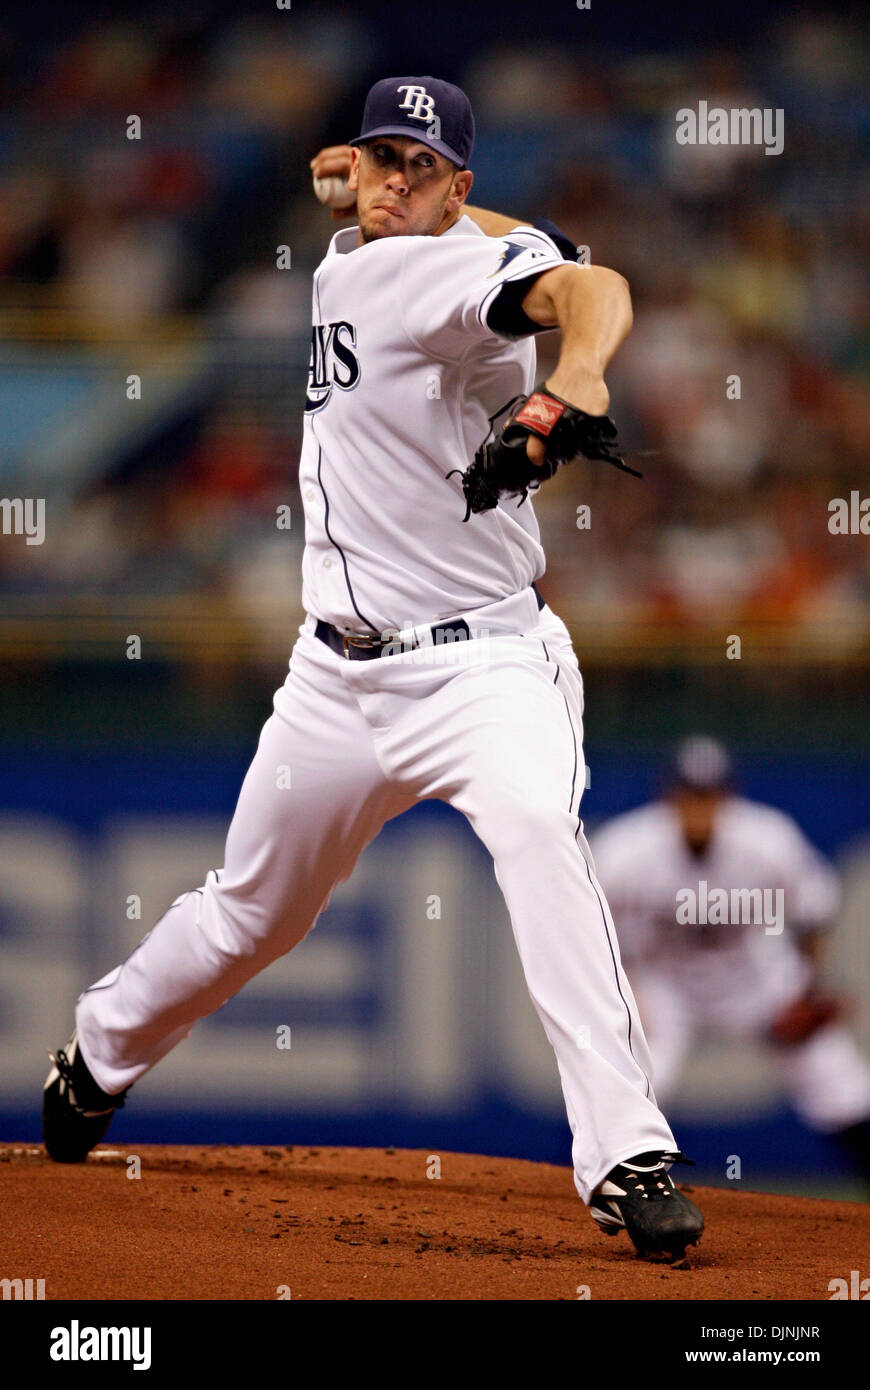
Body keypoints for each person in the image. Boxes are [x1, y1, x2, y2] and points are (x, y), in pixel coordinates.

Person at [43, 76, 703, 1260]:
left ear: (463, 185)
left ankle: (626, 1153)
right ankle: (100, 1052)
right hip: (334, 682)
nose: (397, 181)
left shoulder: (445, 270)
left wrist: (581, 377)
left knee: (540, 840)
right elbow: (487, 231)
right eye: (383, 158)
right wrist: (356, 179)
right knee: (252, 913)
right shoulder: (374, 243)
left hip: (486, 669)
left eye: (424, 165)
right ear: (358, 163)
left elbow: (589, 288)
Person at [590, 735, 870, 1184]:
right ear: (670, 796)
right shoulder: (626, 850)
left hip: (755, 983)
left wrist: (808, 989)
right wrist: (626, 995)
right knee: (640, 1085)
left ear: (727, 796)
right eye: (690, 795)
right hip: (667, 987)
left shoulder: (768, 840)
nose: (699, 807)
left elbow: (813, 911)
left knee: (838, 1079)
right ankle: (624, 1189)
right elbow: (590, 930)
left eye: (709, 795)